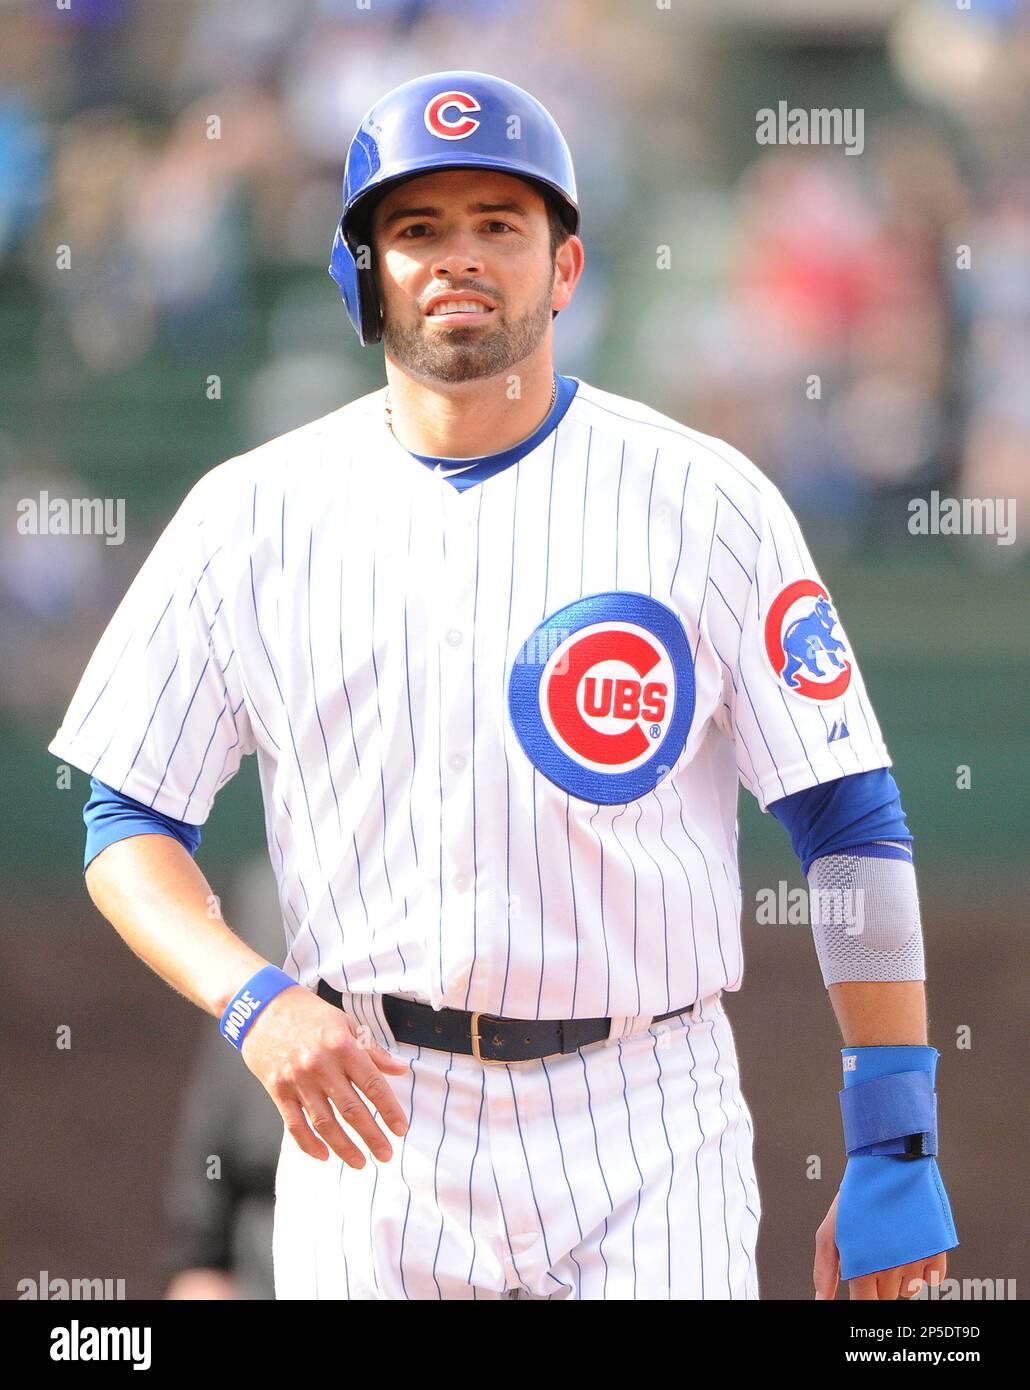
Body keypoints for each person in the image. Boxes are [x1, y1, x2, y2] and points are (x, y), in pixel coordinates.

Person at [49, 71, 957, 1301]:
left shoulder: (709, 500)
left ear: (565, 268)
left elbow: (848, 825)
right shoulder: (249, 517)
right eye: (417, 229)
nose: (457, 258)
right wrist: (251, 999)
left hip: (647, 1114)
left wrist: (893, 1137)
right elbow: (125, 820)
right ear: (362, 274)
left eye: (499, 225)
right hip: (373, 1113)